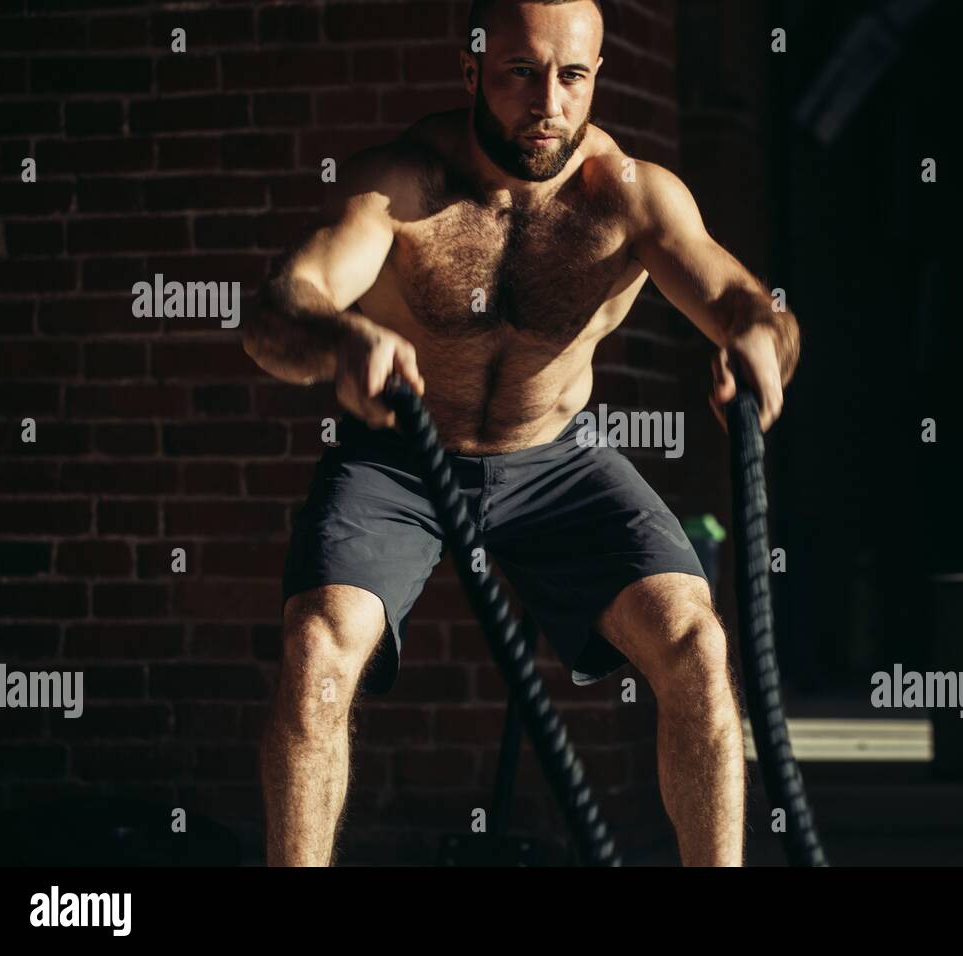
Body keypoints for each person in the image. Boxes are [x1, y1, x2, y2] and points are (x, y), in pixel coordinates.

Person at [244, 0, 799, 867]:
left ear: (596, 79)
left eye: (572, 76)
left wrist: (762, 338)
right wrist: (338, 338)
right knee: (317, 646)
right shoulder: (399, 187)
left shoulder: (631, 197)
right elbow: (279, 311)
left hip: (557, 462)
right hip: (398, 463)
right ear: (471, 70)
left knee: (697, 642)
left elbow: (739, 299)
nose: (548, 102)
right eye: (519, 72)